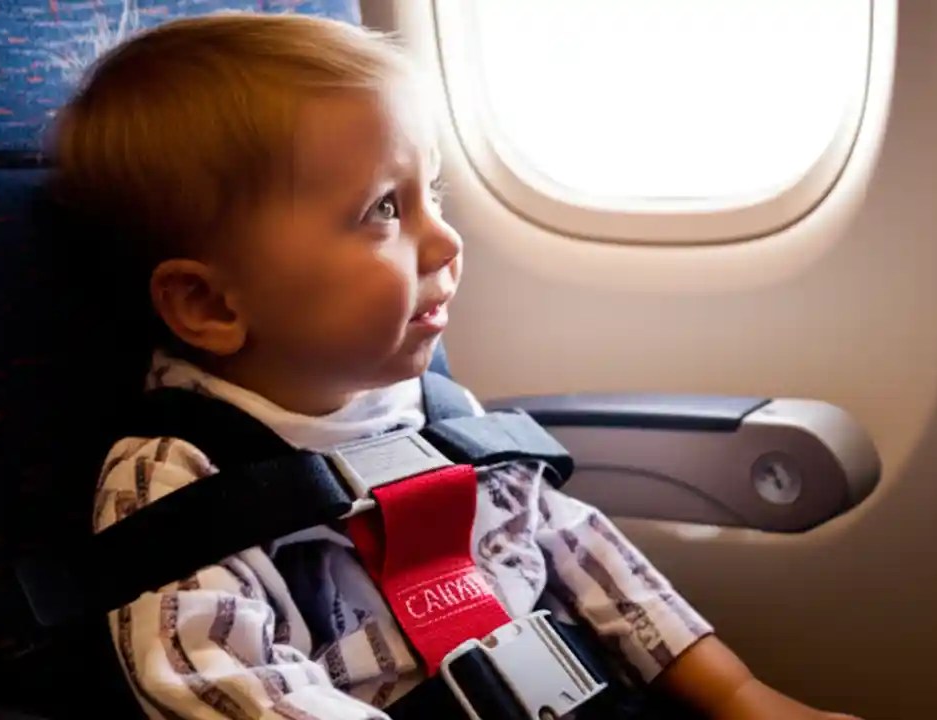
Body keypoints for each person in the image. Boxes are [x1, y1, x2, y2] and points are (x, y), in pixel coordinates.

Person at [50, 12, 861, 720]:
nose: (445, 241)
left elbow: (585, 555)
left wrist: (740, 698)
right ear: (211, 306)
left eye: (432, 192)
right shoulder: (178, 479)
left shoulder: (440, 412)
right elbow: (223, 683)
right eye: (384, 210)